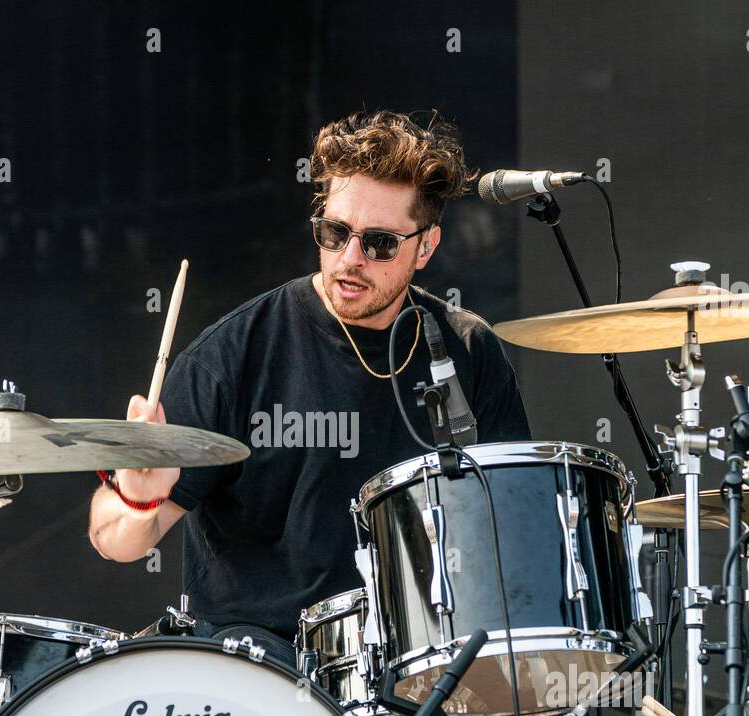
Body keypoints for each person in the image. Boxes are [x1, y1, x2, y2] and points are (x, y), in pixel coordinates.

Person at [89, 109, 531, 667]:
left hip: (413, 682)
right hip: (253, 677)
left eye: (379, 243)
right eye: (335, 232)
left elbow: (515, 541)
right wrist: (137, 497)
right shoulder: (233, 355)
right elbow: (114, 541)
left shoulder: (470, 352)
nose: (350, 258)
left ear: (426, 247)